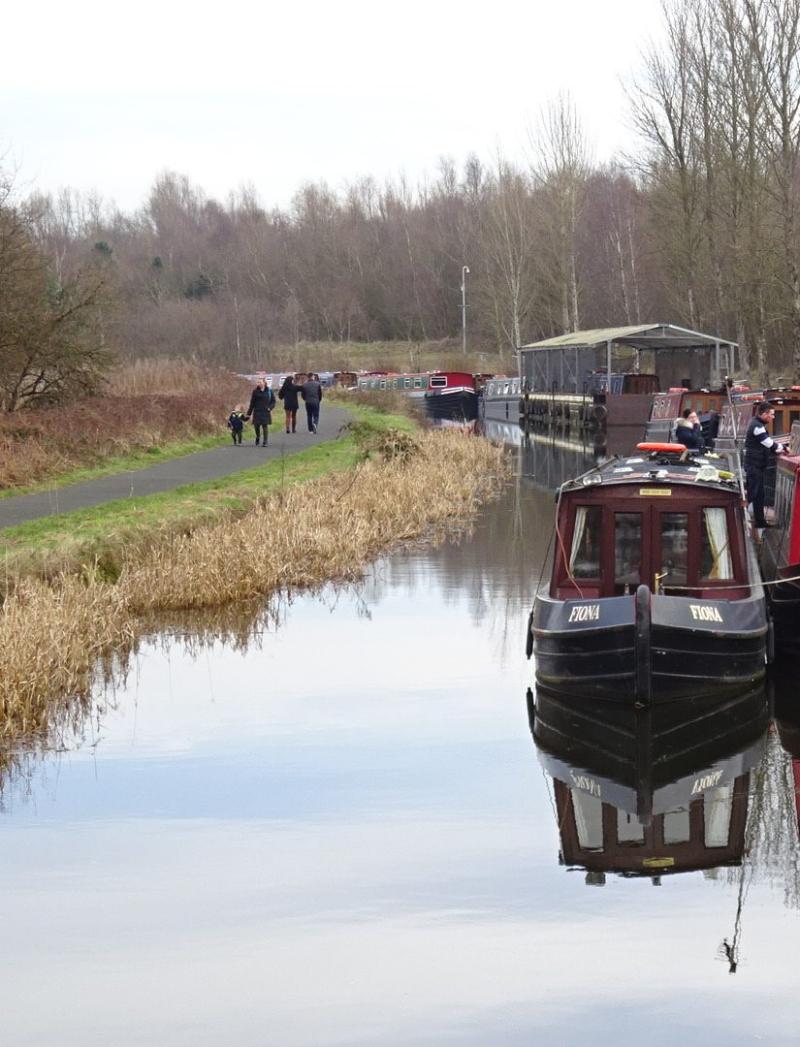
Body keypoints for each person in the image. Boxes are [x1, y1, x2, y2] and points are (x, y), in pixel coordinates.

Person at [744, 401, 785, 529]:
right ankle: (741, 517)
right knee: (753, 493)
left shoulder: (757, 424)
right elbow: (768, 443)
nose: (773, 417)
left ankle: (760, 522)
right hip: (754, 466)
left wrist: (778, 449)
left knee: (760, 495)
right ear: (764, 414)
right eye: (771, 414)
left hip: (757, 466)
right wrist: (782, 447)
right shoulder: (757, 426)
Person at [246, 377, 276, 447]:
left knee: (265, 426)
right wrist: (248, 414)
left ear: (264, 383)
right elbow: (252, 403)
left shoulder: (269, 391)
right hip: (257, 411)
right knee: (256, 426)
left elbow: (273, 401)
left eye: (260, 382)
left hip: (265, 411)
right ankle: (258, 437)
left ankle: (265, 441)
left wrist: (270, 408)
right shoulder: (255, 391)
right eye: (258, 382)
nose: (259, 383)